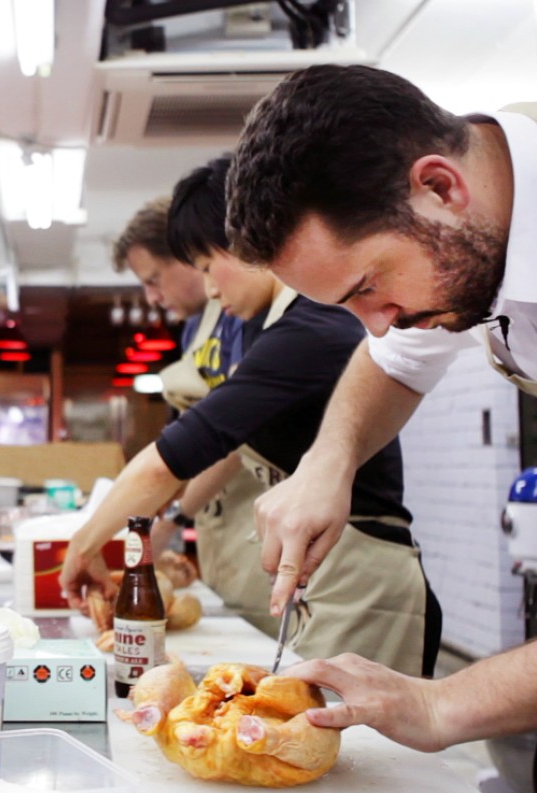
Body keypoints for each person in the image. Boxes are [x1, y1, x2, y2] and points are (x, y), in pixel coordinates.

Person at [225, 63, 537, 748]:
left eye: (371, 286)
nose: (377, 322)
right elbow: (389, 362)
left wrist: (442, 706)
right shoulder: (491, 200)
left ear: (438, 186)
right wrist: (327, 462)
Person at [60, 155, 441, 678]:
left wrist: (84, 546)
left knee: (364, 754)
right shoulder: (275, 327)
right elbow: (224, 445)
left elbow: (174, 455)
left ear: (243, 243)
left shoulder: (310, 329)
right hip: (324, 573)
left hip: (362, 576)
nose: (211, 291)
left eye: (205, 266)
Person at [111, 198, 274, 635]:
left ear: (186, 254)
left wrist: (175, 514)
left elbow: (236, 430)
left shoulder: (248, 314)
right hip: (221, 530)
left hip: (258, 517)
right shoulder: (194, 329)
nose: (151, 297)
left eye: (153, 279)